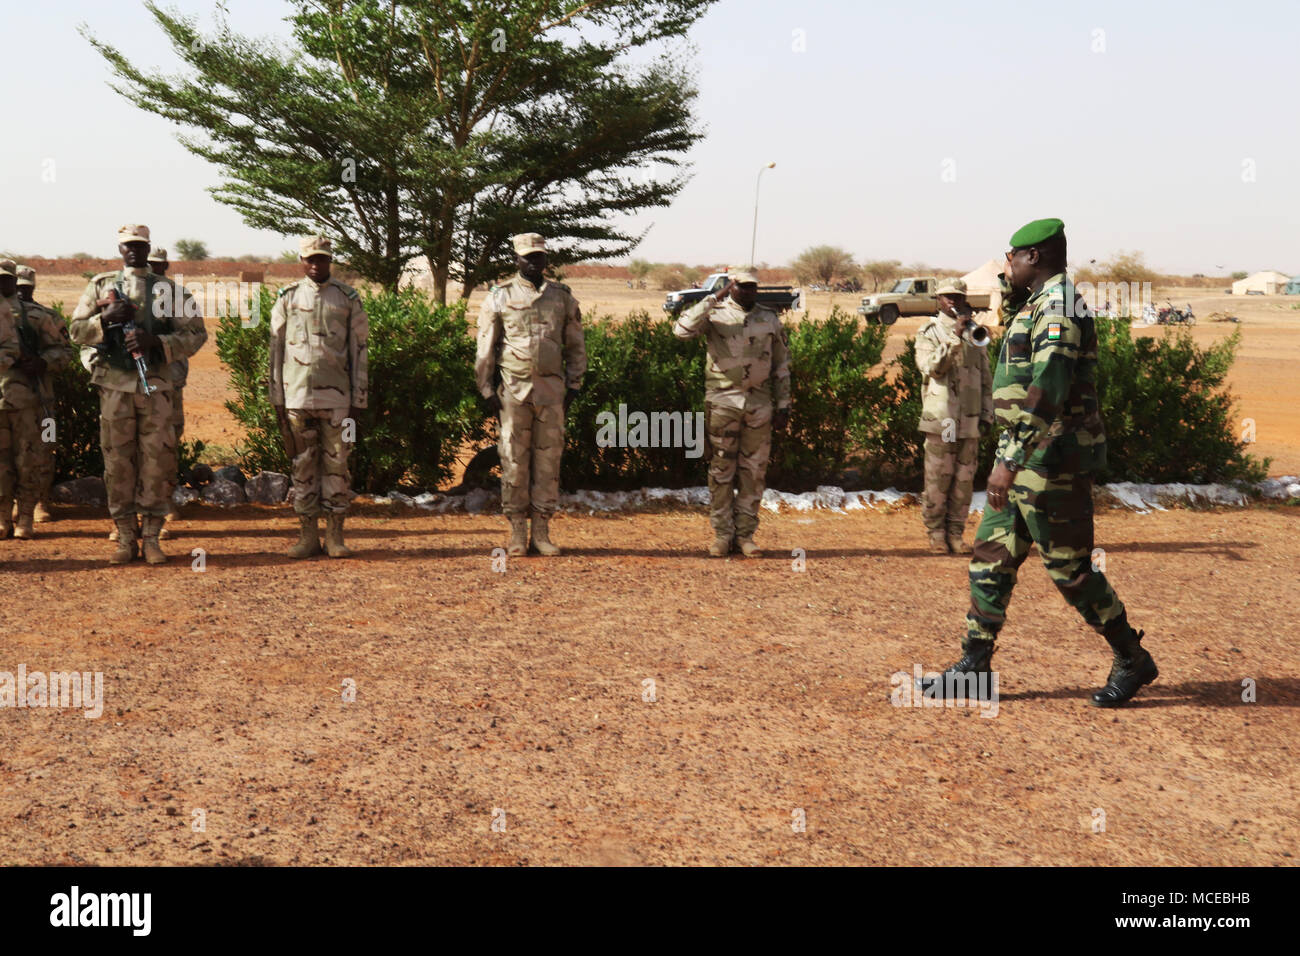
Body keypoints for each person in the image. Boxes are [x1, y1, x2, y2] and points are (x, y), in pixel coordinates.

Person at [920, 218, 1156, 707]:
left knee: (1070, 571)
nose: (1006, 264)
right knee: (991, 559)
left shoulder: (1060, 308)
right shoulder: (1036, 303)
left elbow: (1048, 386)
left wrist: (1009, 459)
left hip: (1053, 460)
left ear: (1035, 257)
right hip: (1027, 456)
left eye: (1011, 256)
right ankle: (975, 665)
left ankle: (1132, 658)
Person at [69, 225, 208, 564]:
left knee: (157, 461)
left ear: (148, 249)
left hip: (156, 387)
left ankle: (151, 538)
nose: (134, 251)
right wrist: (105, 321)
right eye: (128, 246)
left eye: (140, 246)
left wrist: (157, 343)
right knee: (117, 461)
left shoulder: (169, 291)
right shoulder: (101, 285)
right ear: (120, 249)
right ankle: (125, 538)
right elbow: (74, 331)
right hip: (115, 387)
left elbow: (196, 334)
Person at [475, 233, 586, 557]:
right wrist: (485, 388)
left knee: (548, 464)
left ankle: (541, 532)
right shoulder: (500, 296)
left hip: (551, 394)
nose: (534, 261)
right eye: (528, 257)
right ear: (517, 260)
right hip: (514, 392)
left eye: (539, 256)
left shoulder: (562, 297)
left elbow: (576, 345)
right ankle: (516, 533)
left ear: (545, 259)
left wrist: (575, 385)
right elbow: (486, 346)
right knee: (513, 462)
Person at [673, 271, 791, 557]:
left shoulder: (769, 317)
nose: (749, 291)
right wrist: (713, 298)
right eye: (742, 286)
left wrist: (784, 405)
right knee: (721, 470)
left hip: (759, 404)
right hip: (723, 402)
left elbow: (782, 364)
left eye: (753, 287)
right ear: (732, 287)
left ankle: (746, 535)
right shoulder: (715, 313)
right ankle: (723, 535)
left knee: (754, 472)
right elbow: (681, 330)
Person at [268, 235, 368, 558]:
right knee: (302, 467)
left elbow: (360, 352)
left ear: (330, 260)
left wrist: (358, 400)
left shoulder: (348, 298)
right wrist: (277, 399)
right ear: (302, 261)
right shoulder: (287, 298)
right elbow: (276, 352)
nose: (316, 264)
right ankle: (308, 537)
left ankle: (335, 537)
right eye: (310, 259)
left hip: (339, 402)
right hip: (297, 399)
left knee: (338, 466)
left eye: (322, 258)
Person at [914, 277, 993, 554]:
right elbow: (933, 368)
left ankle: (956, 533)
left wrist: (987, 413)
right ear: (938, 300)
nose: (952, 301)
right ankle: (936, 534)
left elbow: (985, 375)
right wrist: (954, 336)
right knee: (938, 478)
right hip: (942, 418)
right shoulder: (929, 332)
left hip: (969, 420)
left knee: (963, 480)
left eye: (958, 297)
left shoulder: (976, 333)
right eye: (947, 296)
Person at [1, 263, 72, 537]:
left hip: (36, 400)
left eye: (9, 282)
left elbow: (64, 352)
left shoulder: (41, 316)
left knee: (36, 454)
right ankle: (5, 515)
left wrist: (43, 362)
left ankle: (32, 510)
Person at [147, 247, 194, 539]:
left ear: (165, 265)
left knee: (167, 444)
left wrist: (159, 343)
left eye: (157, 265)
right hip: (136, 386)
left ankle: (165, 503)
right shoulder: (128, 295)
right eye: (148, 265)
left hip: (171, 383)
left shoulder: (178, 296)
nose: (152, 269)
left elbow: (191, 337)